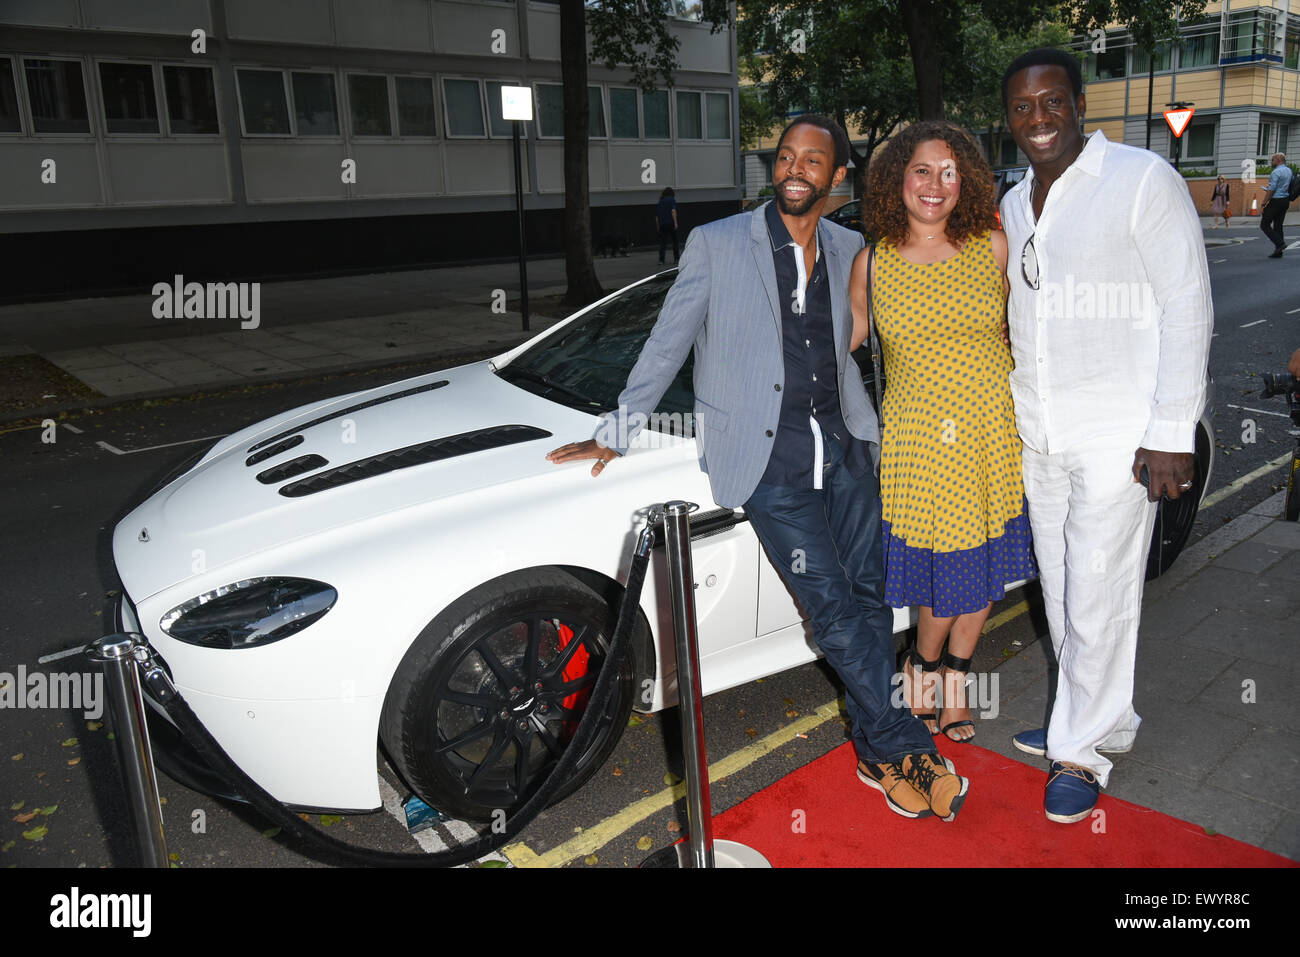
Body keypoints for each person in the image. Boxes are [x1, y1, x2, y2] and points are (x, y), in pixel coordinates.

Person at [548, 114, 969, 821]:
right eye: (785, 157)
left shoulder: (850, 246)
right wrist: (618, 429)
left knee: (870, 596)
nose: (795, 169)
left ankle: (874, 752)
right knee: (831, 606)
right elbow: (667, 340)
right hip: (767, 461)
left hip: (846, 447)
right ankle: (904, 741)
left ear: (838, 175)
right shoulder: (717, 244)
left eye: (813, 159)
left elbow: (886, 341)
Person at [999, 49, 1213, 823]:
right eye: (1023, 108)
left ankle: (1080, 754)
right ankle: (1101, 718)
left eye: (1052, 102)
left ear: (1080, 103)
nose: (1039, 119)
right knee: (1060, 583)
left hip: (1121, 431)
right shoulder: (1018, 200)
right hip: (1042, 430)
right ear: (1010, 119)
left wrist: (1171, 431)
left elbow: (1188, 304)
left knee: (1098, 586)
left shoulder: (1142, 180)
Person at [849, 121, 1038, 745]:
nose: (935, 184)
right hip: (920, 444)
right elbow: (835, 349)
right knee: (941, 574)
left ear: (968, 182)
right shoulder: (872, 262)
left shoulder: (994, 246)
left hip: (990, 434)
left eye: (949, 172)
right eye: (923, 170)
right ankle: (921, 667)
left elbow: (1031, 332)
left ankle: (953, 677)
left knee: (980, 568)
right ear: (897, 180)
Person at [1260, 153, 1292, 258]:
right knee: (1278, 225)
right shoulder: (1288, 171)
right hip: (1285, 200)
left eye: (1273, 160)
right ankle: (1278, 251)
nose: (1271, 162)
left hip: (1276, 201)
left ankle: (1280, 244)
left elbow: (1272, 189)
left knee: (1264, 224)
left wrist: (1264, 203)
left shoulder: (1276, 172)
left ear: (1278, 160)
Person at [656, 187, 679, 264]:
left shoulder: (660, 202)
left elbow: (657, 217)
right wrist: (675, 222)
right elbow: (673, 211)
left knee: (663, 243)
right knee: (675, 241)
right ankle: (676, 259)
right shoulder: (671, 200)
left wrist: (658, 227)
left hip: (662, 224)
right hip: (671, 223)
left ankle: (661, 260)